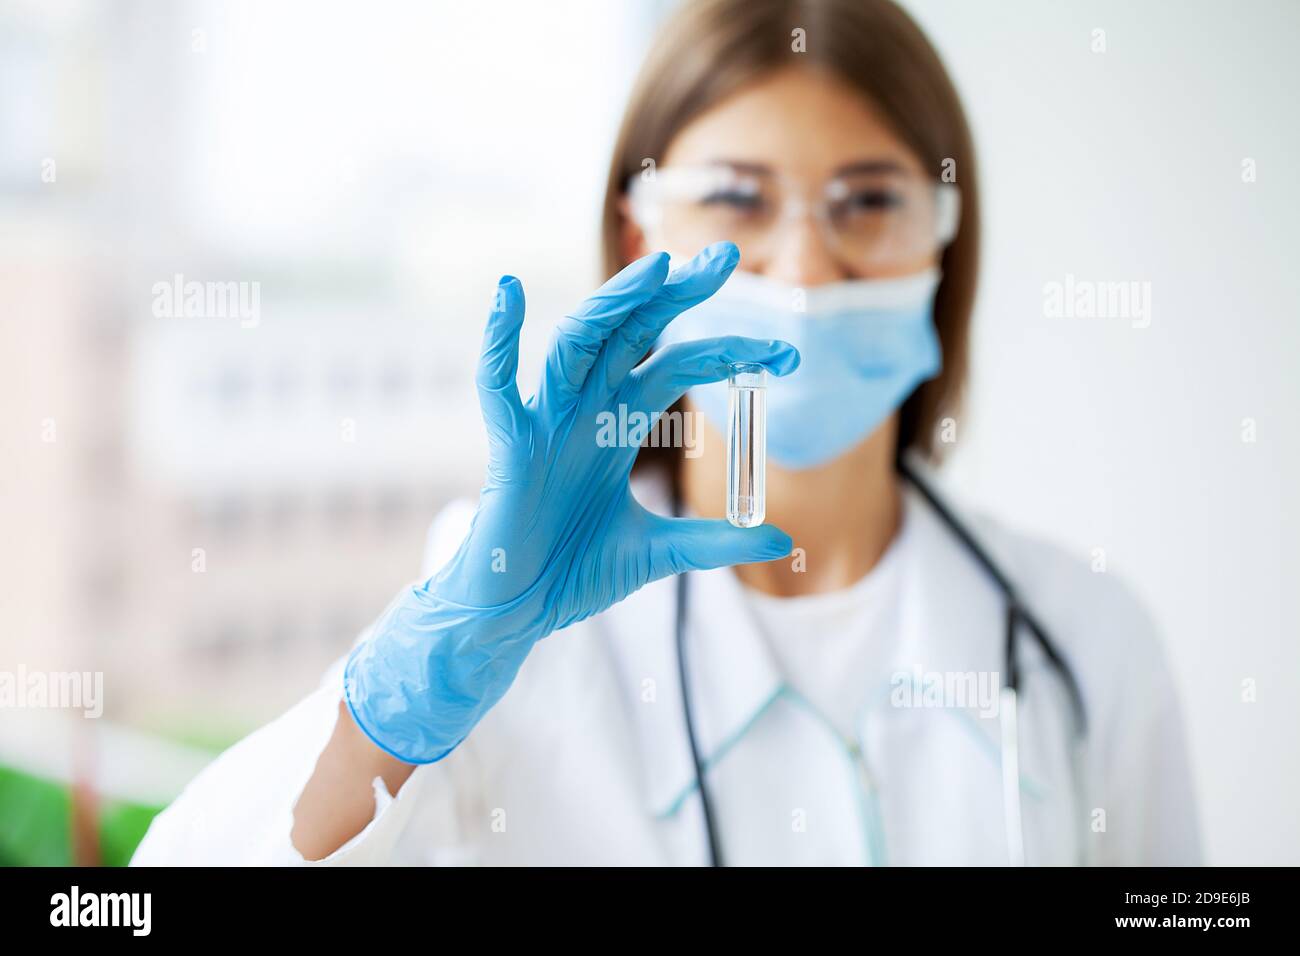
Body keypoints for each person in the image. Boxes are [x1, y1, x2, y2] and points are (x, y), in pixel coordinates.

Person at [131, 0, 1199, 866]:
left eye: (867, 202)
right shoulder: (519, 618)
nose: (805, 267)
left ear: (941, 245)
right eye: (737, 199)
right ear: (639, 232)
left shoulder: (1084, 639)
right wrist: (407, 692)